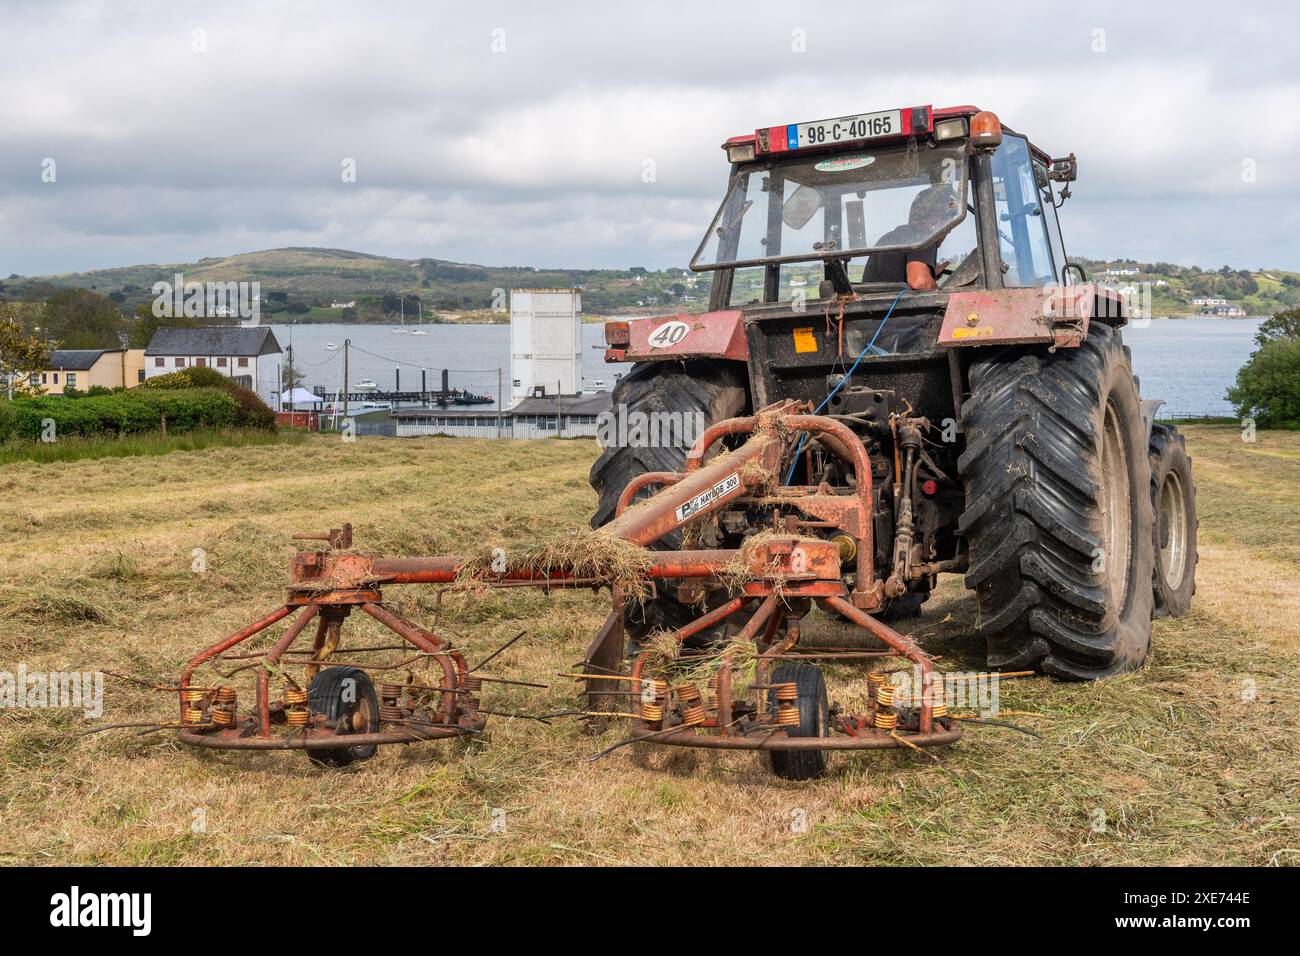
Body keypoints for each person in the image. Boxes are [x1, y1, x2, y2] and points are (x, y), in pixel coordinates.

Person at [861, 183, 957, 289]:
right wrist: (942, 294)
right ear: (936, 220)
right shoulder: (924, 239)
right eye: (948, 225)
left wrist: (930, 269)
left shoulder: (893, 237)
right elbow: (919, 282)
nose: (949, 231)